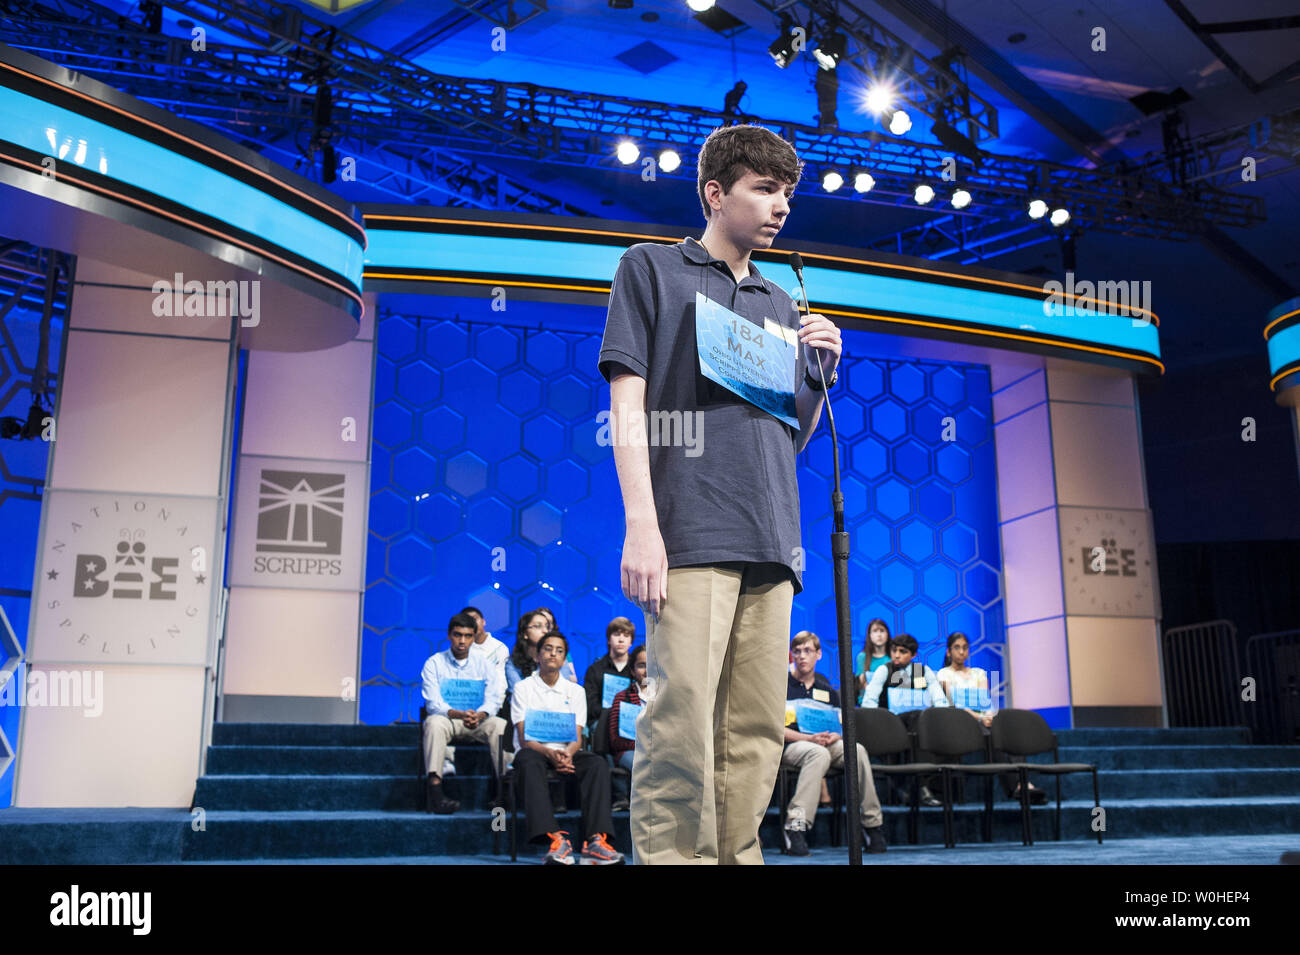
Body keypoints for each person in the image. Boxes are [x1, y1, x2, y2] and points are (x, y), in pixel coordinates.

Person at [600, 123, 842, 864]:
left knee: (756, 735)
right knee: (680, 723)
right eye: (765, 190)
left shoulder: (778, 301)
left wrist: (821, 374)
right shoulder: (651, 268)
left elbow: (784, 439)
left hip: (774, 537)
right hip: (692, 532)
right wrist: (642, 524)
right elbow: (628, 405)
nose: (781, 208)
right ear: (715, 193)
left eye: (788, 195)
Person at [511, 631, 624, 865]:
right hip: (536, 750)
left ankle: (595, 841)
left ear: (564, 660)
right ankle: (556, 840)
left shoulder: (576, 691)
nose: (553, 654)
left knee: (596, 763)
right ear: (537, 655)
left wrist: (567, 754)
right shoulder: (523, 688)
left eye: (559, 650)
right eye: (548, 649)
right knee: (527, 760)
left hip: (567, 750)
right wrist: (551, 754)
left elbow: (578, 735)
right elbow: (524, 738)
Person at [781, 632, 887, 856]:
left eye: (807, 651)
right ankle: (795, 826)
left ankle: (871, 825)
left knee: (856, 750)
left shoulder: (828, 691)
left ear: (818, 654)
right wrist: (808, 738)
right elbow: (774, 728)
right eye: (797, 652)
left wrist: (836, 737)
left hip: (826, 743)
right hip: (793, 745)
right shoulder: (782, 686)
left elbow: (841, 727)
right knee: (818, 753)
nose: (802, 656)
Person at [420, 612, 506, 814]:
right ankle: (435, 791)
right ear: (449, 635)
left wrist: (481, 715)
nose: (462, 641)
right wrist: (459, 714)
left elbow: (493, 698)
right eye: (458, 635)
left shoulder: (484, 663)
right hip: (448, 719)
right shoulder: (434, 663)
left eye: (468, 636)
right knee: (433, 723)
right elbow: (432, 702)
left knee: (500, 725)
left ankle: (505, 790)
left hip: (478, 720)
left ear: (474, 637)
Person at [862, 633, 950, 806]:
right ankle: (921, 787)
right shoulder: (884, 670)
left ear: (913, 655)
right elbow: (869, 702)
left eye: (902, 652)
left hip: (917, 726)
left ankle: (916, 786)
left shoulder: (923, 672)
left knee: (919, 719)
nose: (896, 655)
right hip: (889, 725)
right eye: (894, 650)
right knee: (916, 720)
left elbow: (940, 701)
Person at [583, 616, 636, 731]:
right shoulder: (595, 669)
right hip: (601, 722)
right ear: (608, 639)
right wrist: (613, 715)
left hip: (631, 722)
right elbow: (591, 706)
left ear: (631, 642)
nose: (621, 640)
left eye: (626, 636)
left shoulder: (637, 670)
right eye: (616, 634)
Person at [855, 618, 892, 703]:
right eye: (875, 631)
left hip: (889, 701)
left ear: (887, 634)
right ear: (870, 635)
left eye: (882, 631)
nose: (879, 635)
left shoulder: (893, 657)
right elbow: (863, 682)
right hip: (868, 701)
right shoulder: (862, 657)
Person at [463, 604, 509, 673]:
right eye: (467, 621)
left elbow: (501, 680)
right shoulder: (461, 649)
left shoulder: (500, 648)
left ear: (483, 622)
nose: (472, 624)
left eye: (474, 619)